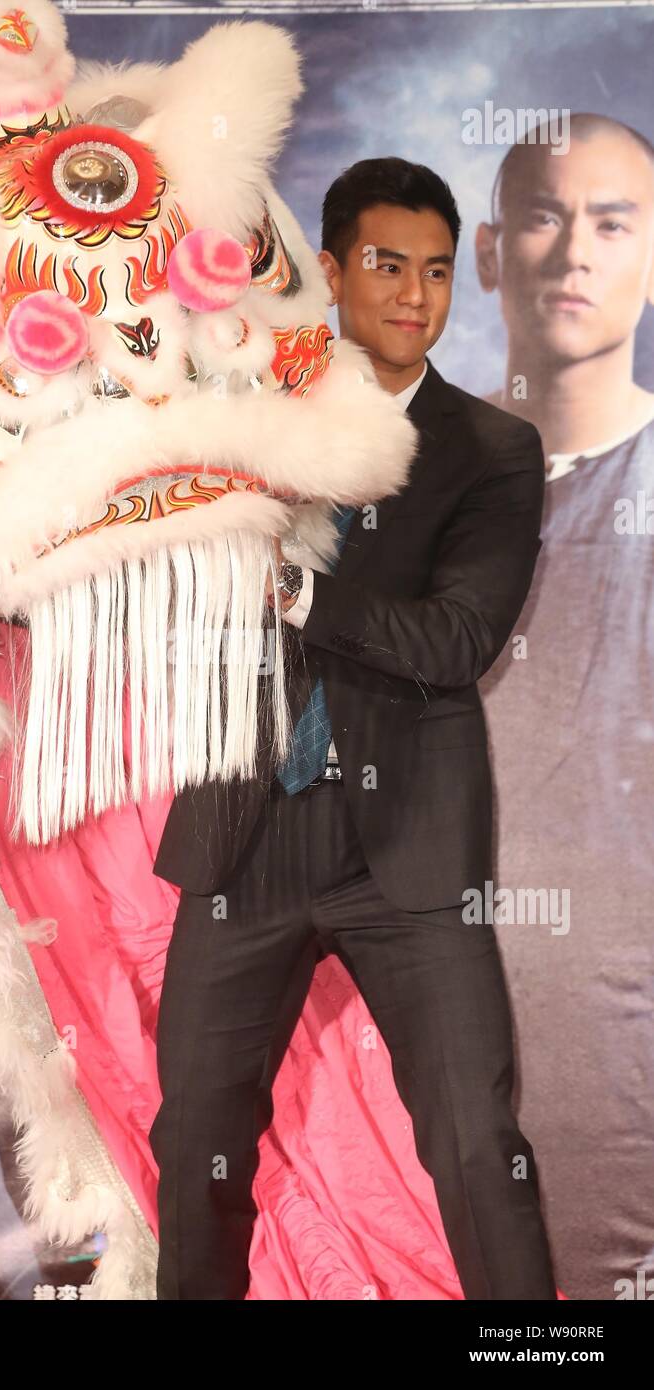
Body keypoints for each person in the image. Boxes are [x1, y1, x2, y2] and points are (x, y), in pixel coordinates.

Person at [149, 157, 558, 1301]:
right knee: (195, 1143)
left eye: (435, 272)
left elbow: (454, 641)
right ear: (328, 272)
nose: (414, 294)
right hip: (245, 835)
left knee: (476, 1142)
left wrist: (299, 592)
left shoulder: (489, 450)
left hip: (408, 853)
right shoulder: (240, 418)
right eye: (385, 265)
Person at [474, 114, 654, 1296]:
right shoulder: (387, 486)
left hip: (618, 1058)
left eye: (611, 222)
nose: (572, 253)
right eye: (542, 216)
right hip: (420, 1036)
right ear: (489, 253)